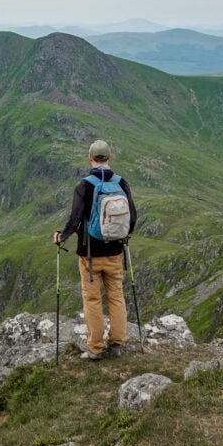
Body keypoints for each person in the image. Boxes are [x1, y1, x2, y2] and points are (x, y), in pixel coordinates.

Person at [53, 139, 137, 360]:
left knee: (92, 300)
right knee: (116, 297)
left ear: (90, 158)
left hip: (89, 255)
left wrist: (61, 237)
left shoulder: (84, 186)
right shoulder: (122, 183)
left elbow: (75, 218)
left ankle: (96, 348)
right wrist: (121, 237)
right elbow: (133, 218)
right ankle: (117, 343)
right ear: (109, 157)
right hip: (115, 252)